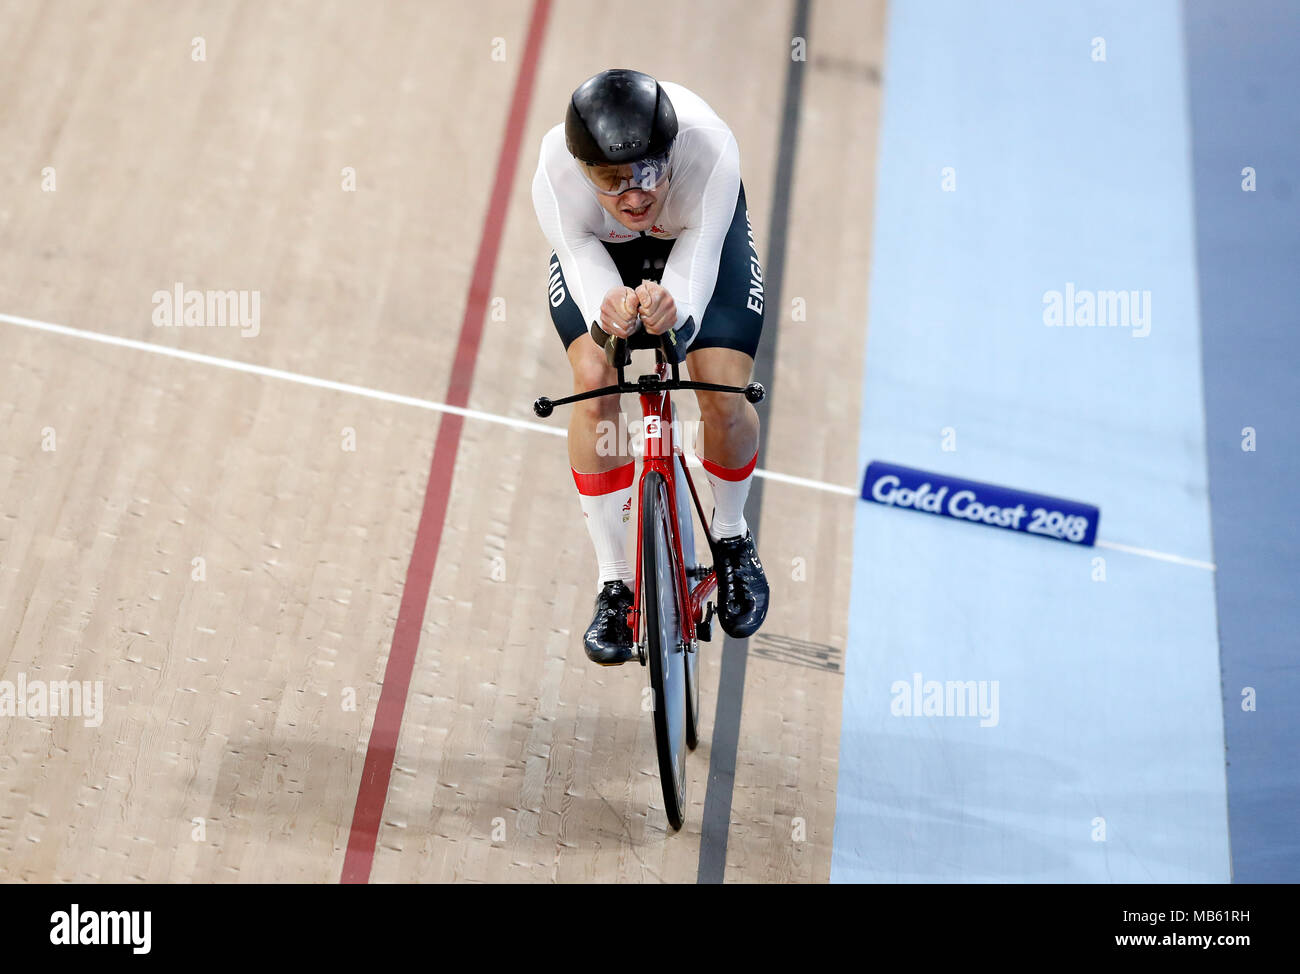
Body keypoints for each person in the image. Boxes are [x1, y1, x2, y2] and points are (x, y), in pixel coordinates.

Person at [531, 68, 769, 665]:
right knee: (594, 382)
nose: (634, 196)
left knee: (720, 391)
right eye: (612, 180)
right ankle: (616, 583)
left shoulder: (710, 149)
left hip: (693, 238)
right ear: (583, 170)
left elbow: (696, 271)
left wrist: (674, 308)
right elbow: (581, 257)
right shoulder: (554, 173)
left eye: (647, 172)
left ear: (671, 153)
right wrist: (607, 309)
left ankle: (734, 538)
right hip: (602, 252)